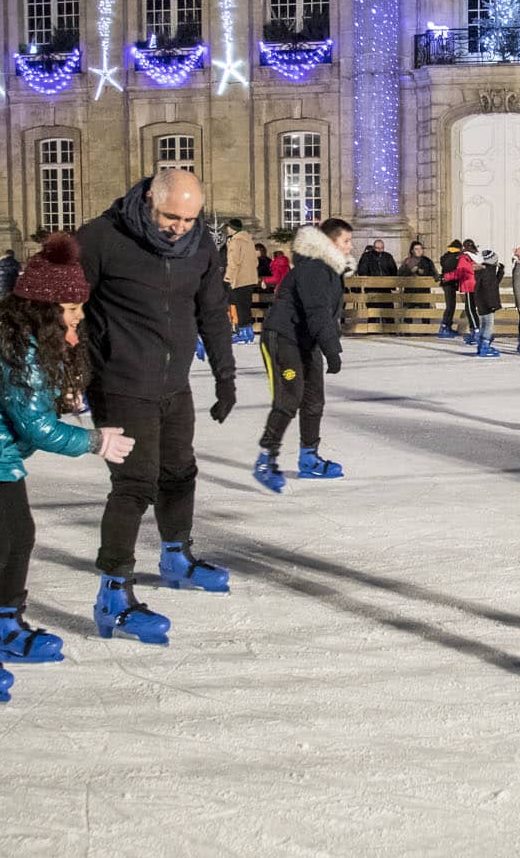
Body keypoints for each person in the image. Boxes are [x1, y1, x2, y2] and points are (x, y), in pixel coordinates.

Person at [0, 233, 136, 702]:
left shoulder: (28, 341)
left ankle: (6, 628)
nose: (78, 316)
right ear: (43, 309)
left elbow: (32, 409)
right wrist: (96, 441)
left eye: (79, 307)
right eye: (70, 308)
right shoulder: (17, 348)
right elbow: (39, 428)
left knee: (20, 537)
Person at [77, 168, 237, 636]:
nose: (179, 228)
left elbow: (212, 310)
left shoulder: (200, 244)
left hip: (173, 382)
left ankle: (176, 557)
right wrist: (72, 375)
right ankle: (113, 594)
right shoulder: (100, 238)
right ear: (150, 198)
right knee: (134, 485)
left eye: (189, 219)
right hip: (120, 382)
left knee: (179, 472)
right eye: (171, 217)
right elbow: (66, 313)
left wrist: (225, 376)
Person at [252, 217, 351, 491]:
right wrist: (332, 349)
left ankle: (309, 458)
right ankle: (266, 459)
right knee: (289, 398)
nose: (350, 246)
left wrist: (328, 344)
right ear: (330, 242)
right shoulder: (314, 267)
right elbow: (317, 310)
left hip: (307, 341)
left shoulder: (330, 270)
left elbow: (328, 314)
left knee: (314, 400)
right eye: (346, 241)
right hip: (283, 338)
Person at [221, 219, 260, 345]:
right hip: (250, 279)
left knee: (239, 307)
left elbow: (233, 262)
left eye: (228, 227)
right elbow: (256, 261)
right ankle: (248, 333)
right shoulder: (249, 241)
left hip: (239, 279)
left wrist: (227, 278)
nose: (227, 229)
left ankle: (243, 333)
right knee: (245, 306)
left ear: (233, 228)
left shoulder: (235, 241)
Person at [468, 248, 505, 358]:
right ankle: (485, 346)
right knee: (488, 324)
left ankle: (481, 346)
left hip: (480, 301)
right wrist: (492, 304)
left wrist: (500, 272)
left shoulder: (483, 270)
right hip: (487, 302)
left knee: (483, 323)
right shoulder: (488, 271)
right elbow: (489, 288)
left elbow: (494, 284)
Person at [435, 241, 465, 337]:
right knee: (450, 306)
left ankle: (446, 327)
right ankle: (444, 327)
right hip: (450, 282)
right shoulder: (456, 257)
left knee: (450, 306)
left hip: (447, 283)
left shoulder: (447, 256)